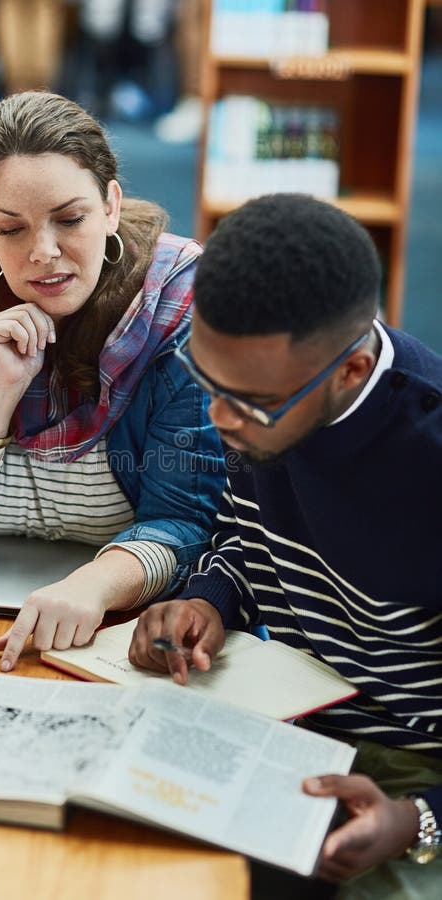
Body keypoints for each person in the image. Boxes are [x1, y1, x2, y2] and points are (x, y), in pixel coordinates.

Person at [129, 193, 442, 898]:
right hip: (293, 723)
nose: (218, 416)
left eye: (244, 401)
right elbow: (249, 531)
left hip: (415, 770)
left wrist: (418, 821)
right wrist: (209, 599)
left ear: (352, 373)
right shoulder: (268, 399)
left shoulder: (427, 466)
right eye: (204, 377)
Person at [0, 90, 224, 668]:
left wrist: (95, 584)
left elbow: (187, 524)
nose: (44, 253)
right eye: (11, 229)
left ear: (111, 206)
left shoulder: (179, 310)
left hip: (112, 621)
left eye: (70, 219)